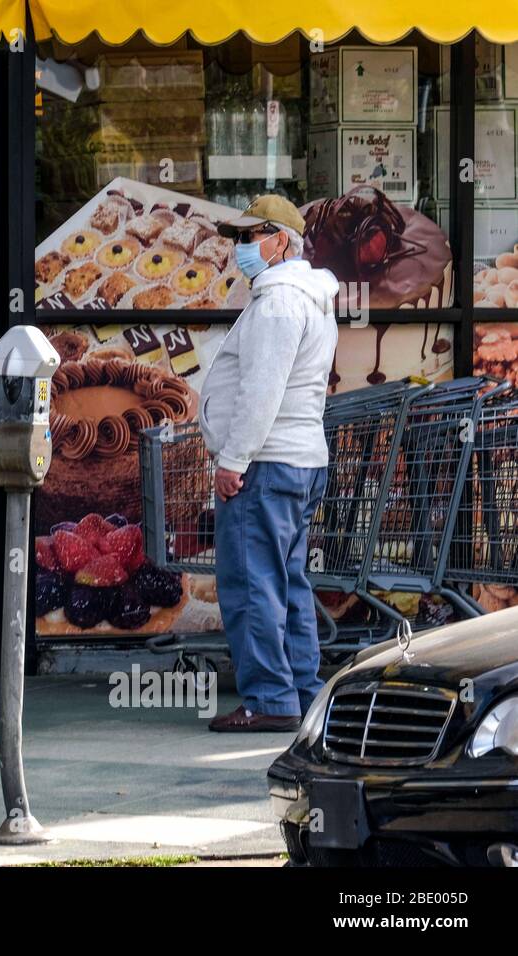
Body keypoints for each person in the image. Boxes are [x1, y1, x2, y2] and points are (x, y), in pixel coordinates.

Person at [198, 194, 339, 733]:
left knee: (252, 585)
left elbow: (262, 392)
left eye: (251, 235)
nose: (241, 247)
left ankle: (269, 699)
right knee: (287, 582)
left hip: (266, 462)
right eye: (238, 237)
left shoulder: (279, 302)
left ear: (281, 240)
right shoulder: (306, 296)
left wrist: (233, 460)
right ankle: (301, 691)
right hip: (297, 461)